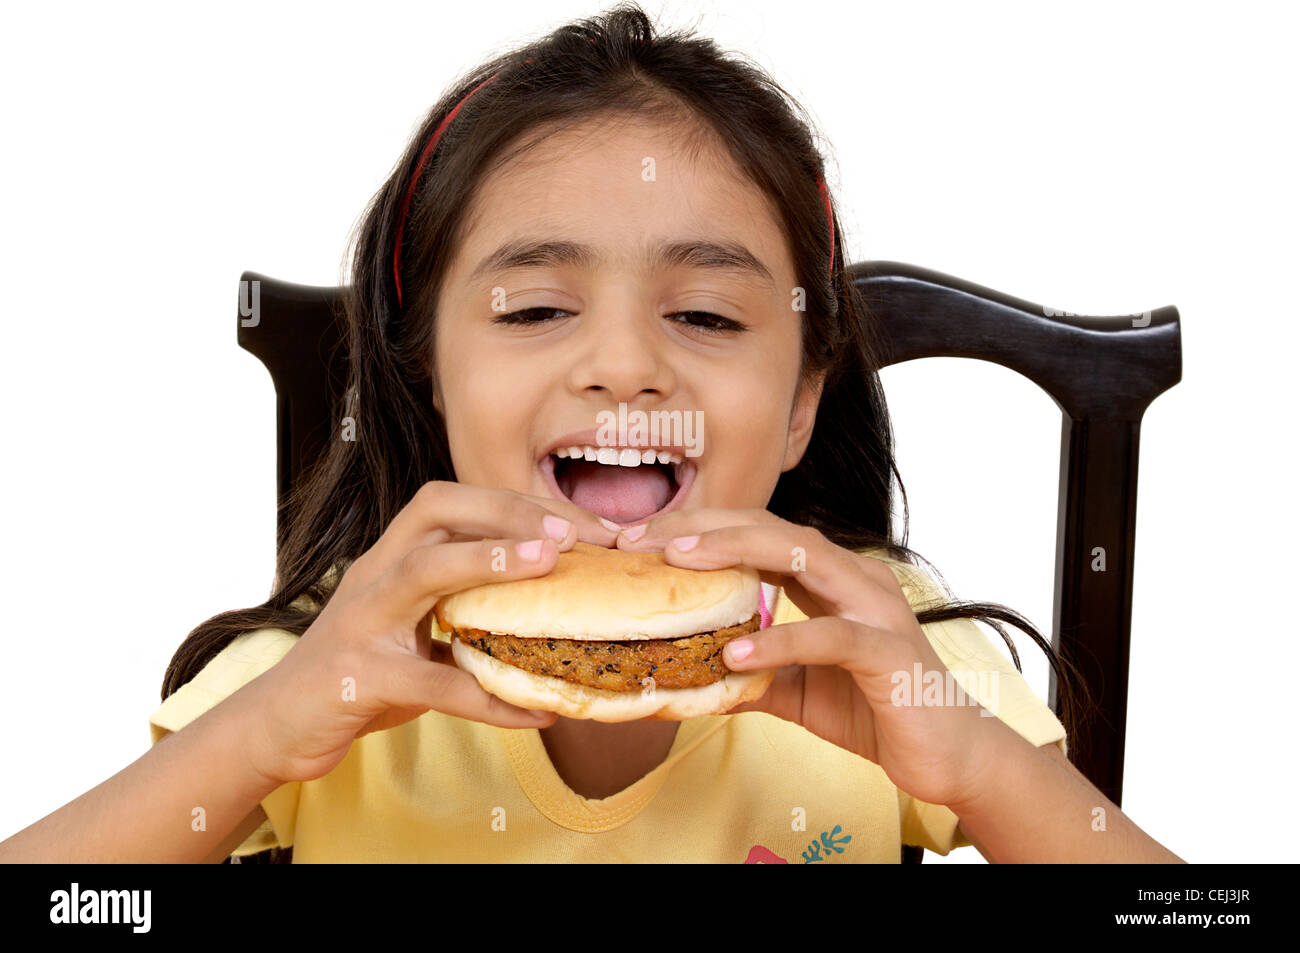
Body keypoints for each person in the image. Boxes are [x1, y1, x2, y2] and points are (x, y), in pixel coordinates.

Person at [0, 2, 1184, 864]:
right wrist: (254, 735)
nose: (622, 364)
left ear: (797, 408)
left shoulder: (884, 645)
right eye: (536, 308)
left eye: (707, 312)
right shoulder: (334, 664)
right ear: (431, 382)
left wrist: (974, 764)